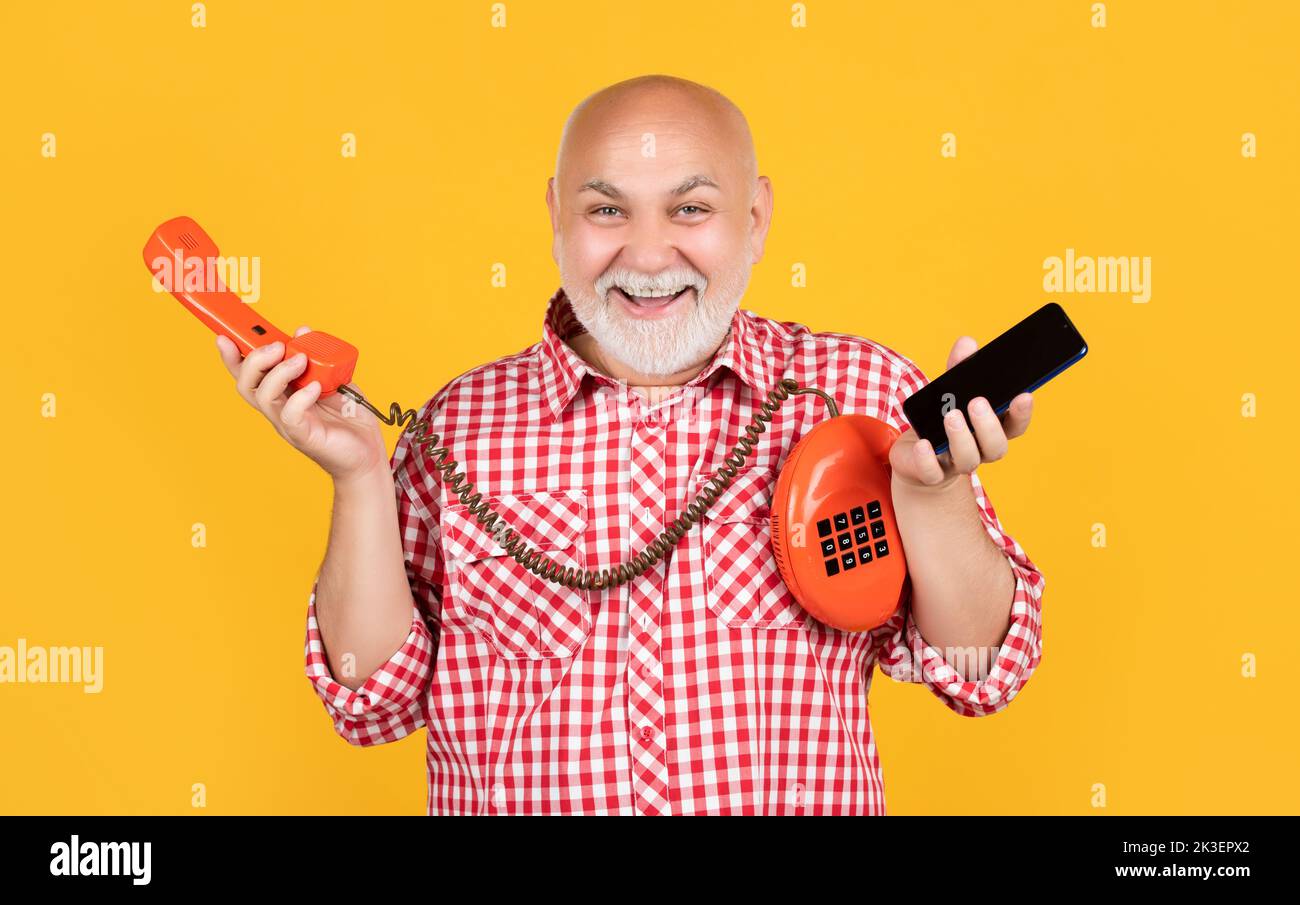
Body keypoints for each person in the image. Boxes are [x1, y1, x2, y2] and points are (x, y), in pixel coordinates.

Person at [216, 74, 1044, 815]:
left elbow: (982, 672)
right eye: (607, 209)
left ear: (754, 219)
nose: (648, 254)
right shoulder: (456, 428)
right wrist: (359, 477)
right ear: (555, 217)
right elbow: (369, 701)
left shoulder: (857, 392)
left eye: (691, 208)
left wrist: (932, 499)